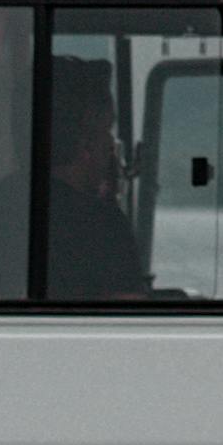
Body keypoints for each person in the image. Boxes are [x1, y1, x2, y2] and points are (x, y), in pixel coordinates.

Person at [48, 54, 152, 300]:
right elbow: (131, 314)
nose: (111, 143)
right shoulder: (101, 224)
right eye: (107, 130)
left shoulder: (4, 207)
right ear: (85, 144)